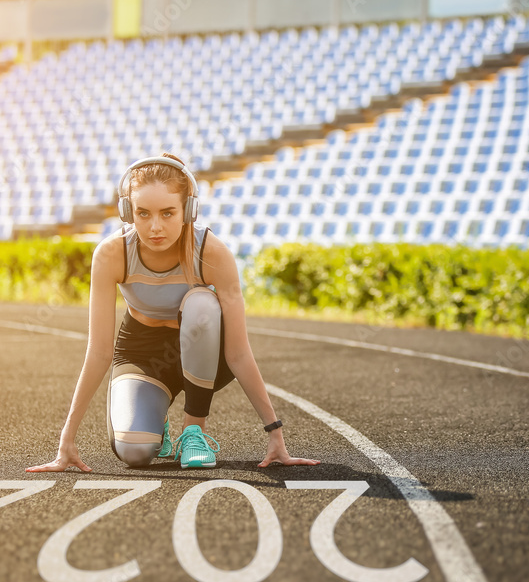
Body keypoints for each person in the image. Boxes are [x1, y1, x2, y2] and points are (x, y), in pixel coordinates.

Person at [26, 153, 320, 472]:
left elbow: (237, 352)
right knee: (135, 453)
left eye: (168, 213)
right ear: (128, 212)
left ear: (188, 211)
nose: (155, 227)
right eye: (143, 213)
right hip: (143, 353)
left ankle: (194, 432)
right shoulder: (112, 254)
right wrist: (67, 439)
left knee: (201, 304)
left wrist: (275, 433)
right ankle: (157, 418)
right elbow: (99, 351)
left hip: (207, 353)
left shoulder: (212, 253)